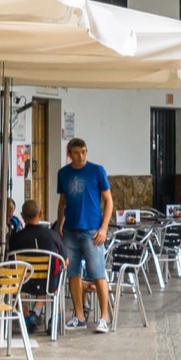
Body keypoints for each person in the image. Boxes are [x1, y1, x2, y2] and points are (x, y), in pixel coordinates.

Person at [54, 137, 114, 333]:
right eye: (77, 153)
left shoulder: (97, 171)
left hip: (92, 231)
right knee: (73, 274)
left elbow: (108, 201)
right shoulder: (63, 174)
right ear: (69, 154)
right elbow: (62, 202)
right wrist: (59, 227)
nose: (81, 156)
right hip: (70, 231)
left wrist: (103, 228)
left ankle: (104, 317)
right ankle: (79, 316)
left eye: (84, 152)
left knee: (98, 273)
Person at [6, 200, 67, 332]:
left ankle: (28, 316)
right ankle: (54, 315)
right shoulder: (52, 236)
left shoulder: (15, 238)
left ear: (22, 215)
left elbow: (11, 263)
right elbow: (65, 261)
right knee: (55, 273)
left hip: (24, 283)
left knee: (17, 278)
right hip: (48, 284)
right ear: (40, 214)